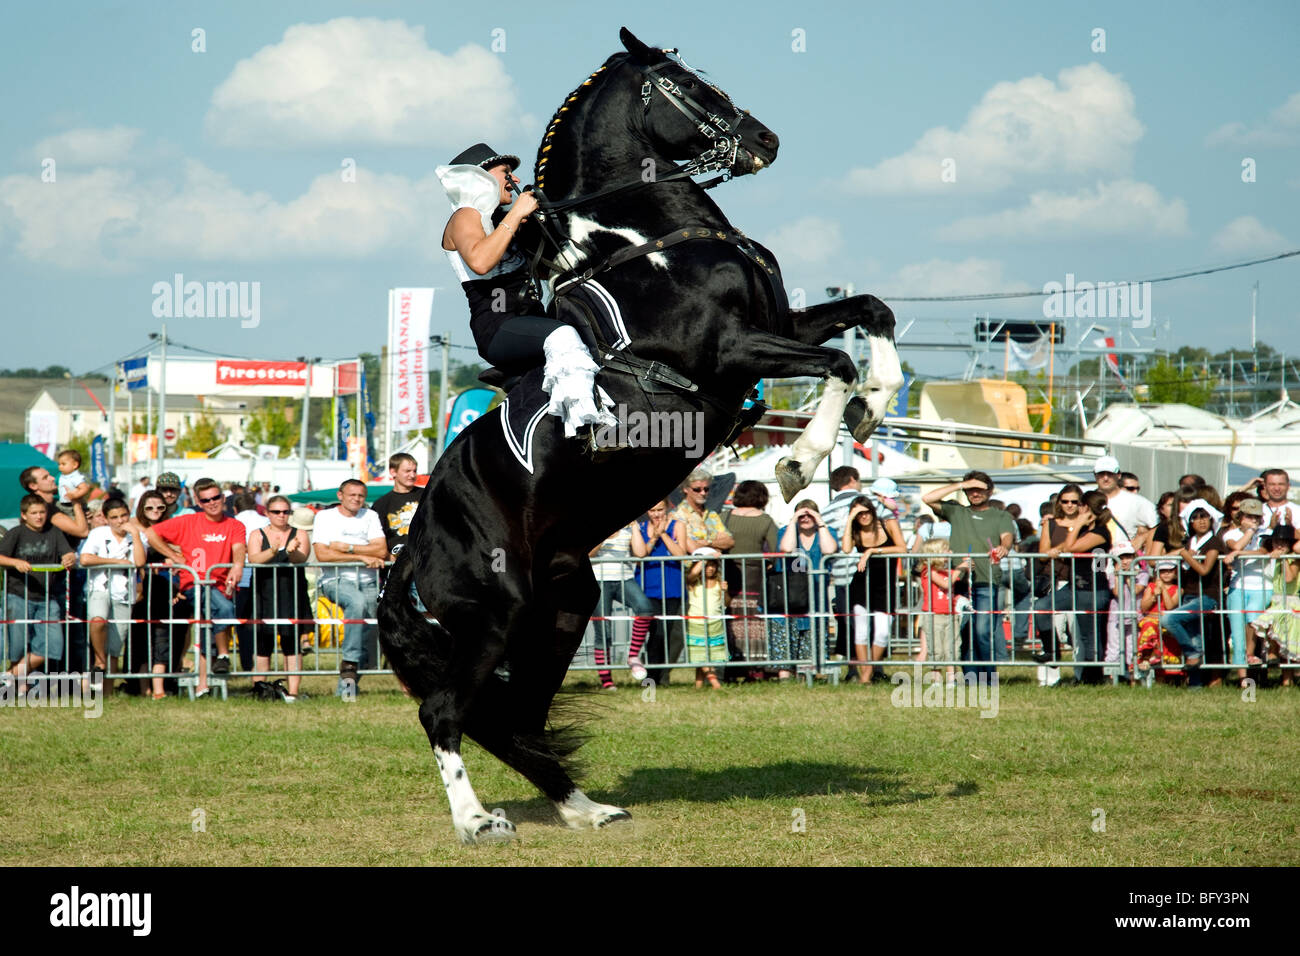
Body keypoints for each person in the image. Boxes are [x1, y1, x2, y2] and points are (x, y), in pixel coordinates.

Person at [437, 143, 609, 435]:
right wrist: (516, 215)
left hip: (532, 319)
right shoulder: (465, 216)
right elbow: (480, 261)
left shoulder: (501, 223)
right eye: (506, 172)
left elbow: (545, 269)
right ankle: (587, 429)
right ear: (479, 178)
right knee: (564, 336)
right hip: (499, 325)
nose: (514, 180)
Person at [146, 477, 247, 697]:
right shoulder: (188, 521)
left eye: (216, 497)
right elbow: (151, 533)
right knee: (225, 612)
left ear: (223, 498)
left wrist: (238, 565)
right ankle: (223, 656)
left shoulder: (235, 524)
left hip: (222, 586)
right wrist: (173, 555)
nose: (212, 502)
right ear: (199, 503)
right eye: (206, 500)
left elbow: (239, 547)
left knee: (206, 631)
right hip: (194, 584)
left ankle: (203, 684)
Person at [921, 472, 1016, 678]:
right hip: (959, 583)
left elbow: (1007, 537)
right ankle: (970, 677)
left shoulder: (1001, 515)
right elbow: (927, 499)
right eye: (971, 489)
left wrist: (1004, 547)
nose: (975, 493)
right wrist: (960, 483)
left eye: (980, 488)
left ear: (989, 491)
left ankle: (988, 677)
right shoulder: (957, 511)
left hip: (986, 581)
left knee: (982, 631)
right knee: (963, 632)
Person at [312, 479, 388, 698]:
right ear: (340, 495)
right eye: (351, 495)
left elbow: (381, 551)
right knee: (357, 602)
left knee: (372, 629)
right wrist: (363, 556)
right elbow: (323, 554)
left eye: (361, 496)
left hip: (369, 582)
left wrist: (347, 547)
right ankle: (350, 661)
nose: (356, 499)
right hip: (335, 580)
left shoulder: (370, 516)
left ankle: (346, 686)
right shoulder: (324, 517)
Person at [0, 495, 76, 687]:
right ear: (24, 515)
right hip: (17, 595)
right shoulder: (16, 533)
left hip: (47, 597)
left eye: (42, 512)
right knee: (17, 646)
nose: (39, 516)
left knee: (52, 644)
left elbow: (67, 552)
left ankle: (7, 678)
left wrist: (69, 557)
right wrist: (14, 562)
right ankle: (19, 687)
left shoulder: (54, 532)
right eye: (34, 513)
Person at [246, 496, 311, 701]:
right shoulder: (257, 534)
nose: (282, 516)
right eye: (276, 512)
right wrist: (275, 550)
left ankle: (292, 692)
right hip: (264, 593)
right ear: (267, 513)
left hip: (291, 593)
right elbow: (254, 559)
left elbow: (302, 558)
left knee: (291, 644)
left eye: (286, 512)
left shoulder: (298, 533)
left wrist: (291, 552)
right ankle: (260, 688)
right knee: (263, 644)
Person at [79, 497, 145, 690]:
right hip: (99, 587)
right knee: (97, 620)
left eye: (124, 515)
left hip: (124, 593)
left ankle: (107, 693)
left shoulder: (136, 535)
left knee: (115, 646)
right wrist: (118, 562)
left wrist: (137, 536)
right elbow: (85, 558)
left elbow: (139, 562)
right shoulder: (99, 533)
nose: (120, 521)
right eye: (114, 517)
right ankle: (99, 660)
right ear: (106, 519)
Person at [769, 499, 837, 680]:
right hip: (790, 594)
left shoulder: (827, 532)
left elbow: (830, 549)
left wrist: (820, 522)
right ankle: (785, 675)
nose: (805, 518)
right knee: (785, 632)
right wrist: (793, 522)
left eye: (810, 514)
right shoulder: (786, 531)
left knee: (812, 632)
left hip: (816, 595)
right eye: (801, 515)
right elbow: (786, 548)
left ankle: (808, 674)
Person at [842, 495, 906, 683]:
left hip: (885, 585)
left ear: (872, 510)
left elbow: (902, 548)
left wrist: (871, 551)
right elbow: (846, 549)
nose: (863, 516)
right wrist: (849, 519)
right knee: (861, 631)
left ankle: (868, 671)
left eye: (866, 511)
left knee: (883, 631)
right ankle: (866, 677)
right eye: (858, 514)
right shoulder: (854, 531)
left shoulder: (888, 523)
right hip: (861, 585)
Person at [1162, 500, 1226, 686]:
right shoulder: (1189, 542)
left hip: (1208, 596)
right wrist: (1180, 553)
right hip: (1189, 594)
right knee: (1195, 639)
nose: (1201, 521)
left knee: (1169, 619)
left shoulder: (1214, 542)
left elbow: (1205, 569)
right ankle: (1195, 685)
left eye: (1204, 517)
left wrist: (1184, 554)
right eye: (1196, 518)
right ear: (1190, 522)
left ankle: (1191, 654)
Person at [589, 523, 656, 689]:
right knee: (603, 631)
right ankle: (607, 681)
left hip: (625, 578)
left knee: (645, 608)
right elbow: (589, 553)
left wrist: (634, 527)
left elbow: (640, 553)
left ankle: (633, 656)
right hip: (599, 579)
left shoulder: (628, 527)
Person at [722, 480, 778, 676]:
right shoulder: (765, 520)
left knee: (730, 621)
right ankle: (755, 667)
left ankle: (732, 666)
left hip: (727, 576)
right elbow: (775, 549)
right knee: (754, 623)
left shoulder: (724, 516)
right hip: (755, 577)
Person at [632, 500, 688, 683]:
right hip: (647, 585)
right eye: (652, 510)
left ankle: (658, 676)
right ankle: (651, 676)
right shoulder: (640, 528)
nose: (656, 514)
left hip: (671, 586)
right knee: (653, 632)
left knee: (666, 633)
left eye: (660, 510)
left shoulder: (677, 526)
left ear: (667, 509)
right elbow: (640, 553)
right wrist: (654, 536)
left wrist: (663, 534)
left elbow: (681, 554)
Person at [1221, 497, 1270, 686]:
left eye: (1257, 517)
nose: (1254, 520)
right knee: (1237, 634)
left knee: (1252, 620)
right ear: (1240, 517)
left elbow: (1263, 552)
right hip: (1237, 586)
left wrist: (1239, 554)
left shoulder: (1267, 533)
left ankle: (1250, 657)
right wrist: (1248, 533)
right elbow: (1236, 545)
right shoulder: (1230, 533)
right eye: (1249, 516)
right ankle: (1243, 679)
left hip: (1261, 585)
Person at [232, 492, 270, 673]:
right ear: (256, 507)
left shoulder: (232, 520)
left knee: (243, 622)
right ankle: (259, 663)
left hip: (239, 576)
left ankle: (247, 663)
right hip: (262, 576)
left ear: (235, 508)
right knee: (260, 621)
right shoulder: (264, 521)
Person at [916, 537, 960, 686]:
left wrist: (967, 566)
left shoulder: (948, 571)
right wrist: (960, 569)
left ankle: (951, 679)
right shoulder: (928, 571)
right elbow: (946, 584)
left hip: (950, 615)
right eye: (946, 550)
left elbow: (956, 578)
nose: (950, 552)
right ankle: (936, 679)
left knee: (951, 648)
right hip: (933, 615)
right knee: (936, 649)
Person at [1091, 455, 1157, 551]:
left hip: (1123, 561)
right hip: (1097, 558)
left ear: (1118, 475)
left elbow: (1159, 524)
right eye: (1101, 474)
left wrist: (1143, 537)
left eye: (1110, 474)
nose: (1105, 478)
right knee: (1099, 566)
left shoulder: (1136, 501)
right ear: (1095, 476)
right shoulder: (1087, 500)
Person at [684, 548, 728, 688]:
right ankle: (715, 684)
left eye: (713, 565)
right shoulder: (693, 582)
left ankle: (698, 685)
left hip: (715, 623)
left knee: (710, 656)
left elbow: (726, 603)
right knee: (700, 656)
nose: (710, 568)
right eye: (707, 564)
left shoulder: (718, 583)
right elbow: (693, 574)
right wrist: (707, 556)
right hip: (696, 623)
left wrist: (724, 592)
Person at [672, 469, 735, 554]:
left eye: (706, 489)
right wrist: (716, 547)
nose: (703, 493)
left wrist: (708, 543)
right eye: (697, 489)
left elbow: (730, 542)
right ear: (685, 489)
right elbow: (694, 548)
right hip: (691, 566)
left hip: (714, 566)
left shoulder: (712, 515)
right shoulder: (677, 515)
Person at [372, 453, 423, 558]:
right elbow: (377, 537)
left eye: (415, 471)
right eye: (407, 471)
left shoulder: (426, 495)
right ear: (393, 472)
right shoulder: (381, 504)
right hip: (397, 560)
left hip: (424, 558)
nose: (412, 475)